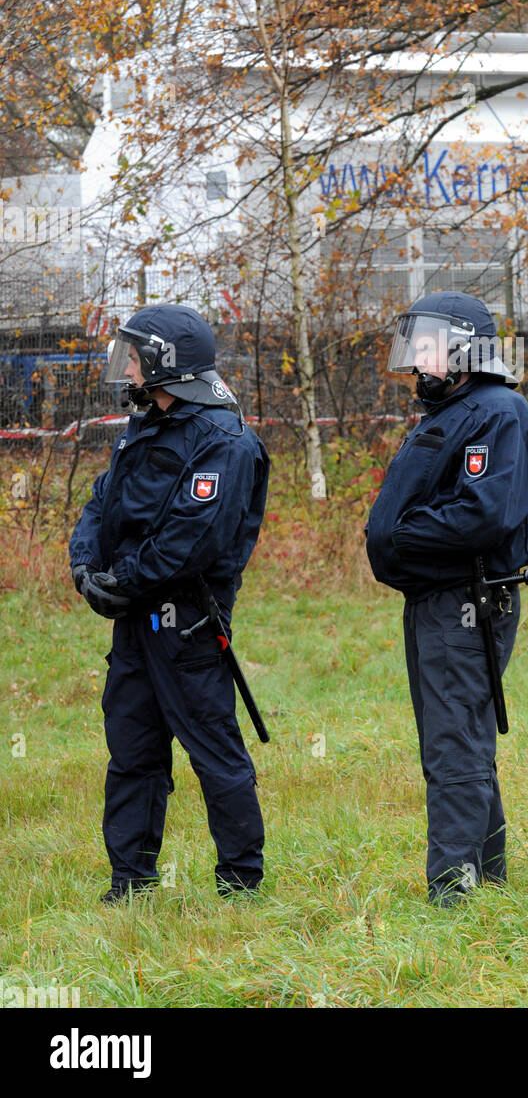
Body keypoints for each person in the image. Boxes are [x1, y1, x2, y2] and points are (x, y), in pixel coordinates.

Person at [69, 304, 269, 903]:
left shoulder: (225, 440)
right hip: (135, 622)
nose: (124, 368)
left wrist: (124, 581)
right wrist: (86, 568)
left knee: (214, 753)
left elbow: (191, 541)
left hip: (187, 625)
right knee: (131, 751)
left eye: (132, 357)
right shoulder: (143, 428)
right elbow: (100, 505)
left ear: (164, 363)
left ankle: (241, 883)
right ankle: (130, 883)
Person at [366, 291, 528, 906]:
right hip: (435, 597)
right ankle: (486, 868)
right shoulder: (454, 412)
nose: (416, 362)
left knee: (452, 736)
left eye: (428, 347)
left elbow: (482, 513)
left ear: (465, 348)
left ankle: (452, 879)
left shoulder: (498, 412)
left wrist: (399, 538)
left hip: (469, 597)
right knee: (458, 728)